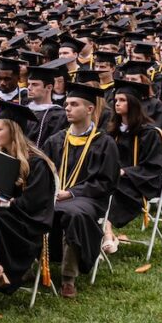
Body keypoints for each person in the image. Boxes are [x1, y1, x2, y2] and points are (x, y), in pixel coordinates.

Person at [0, 103, 55, 295]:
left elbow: (34, 204)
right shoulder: (0, 156)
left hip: (26, 223)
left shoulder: (37, 163)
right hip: (4, 213)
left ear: (13, 131)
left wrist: (5, 202)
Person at [49, 82, 118, 298]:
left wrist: (71, 193)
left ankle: (68, 277)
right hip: (56, 196)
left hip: (88, 199)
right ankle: (23, 265)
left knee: (74, 213)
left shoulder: (104, 143)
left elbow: (106, 182)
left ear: (89, 109)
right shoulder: (56, 140)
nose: (67, 108)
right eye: (66, 104)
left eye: (74, 104)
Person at [99, 81, 162, 254]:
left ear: (134, 104)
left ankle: (106, 232)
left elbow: (153, 166)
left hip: (139, 183)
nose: (117, 103)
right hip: (113, 178)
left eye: (122, 100)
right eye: (115, 100)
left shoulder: (150, 133)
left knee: (110, 188)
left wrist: (124, 172)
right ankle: (105, 233)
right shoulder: (112, 130)